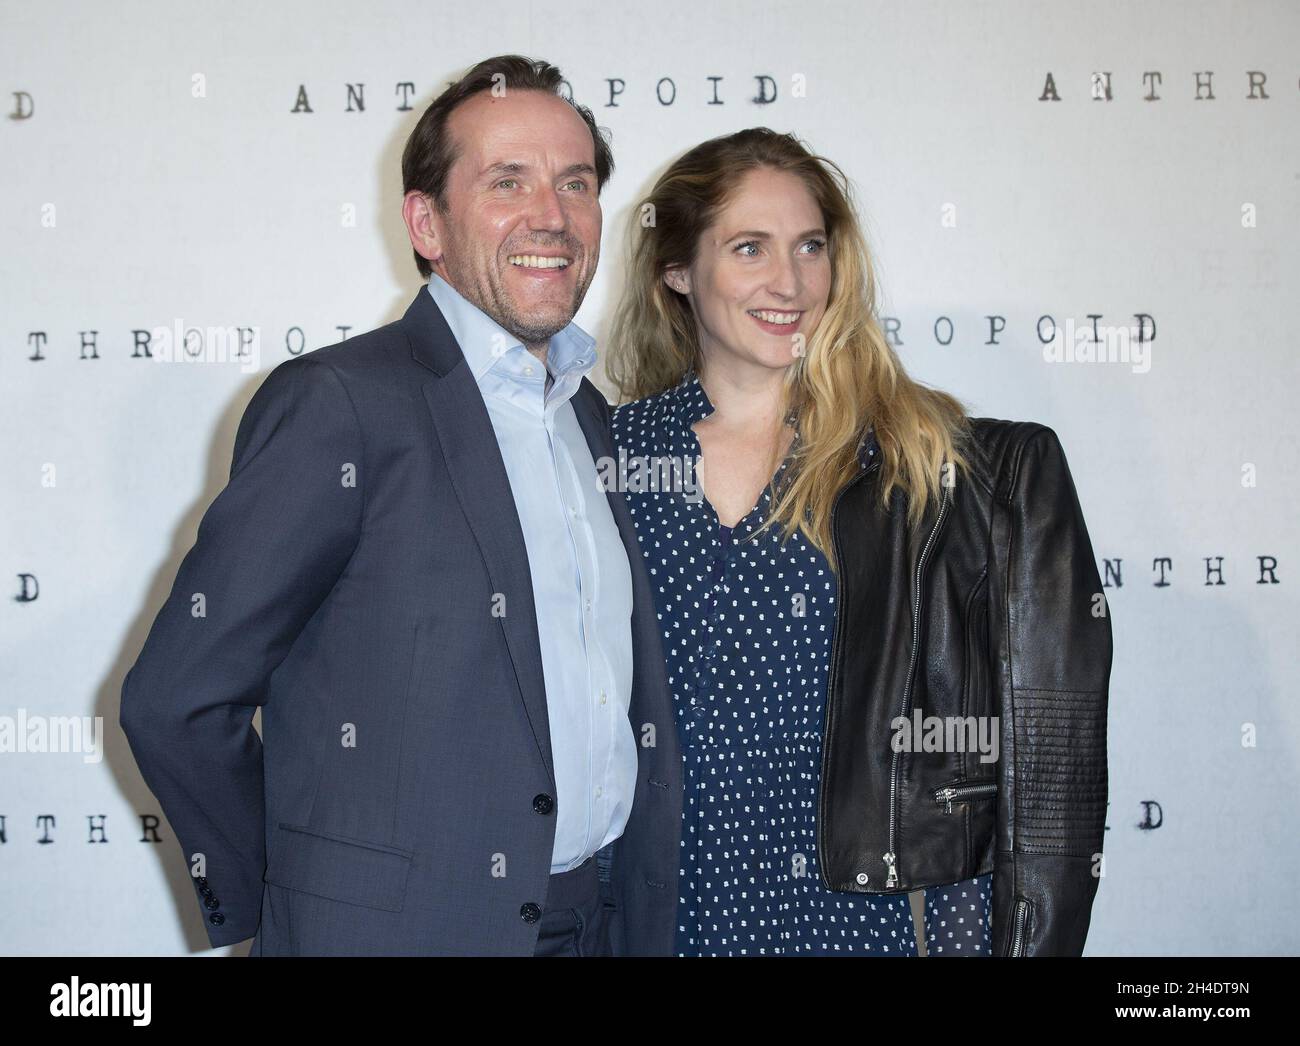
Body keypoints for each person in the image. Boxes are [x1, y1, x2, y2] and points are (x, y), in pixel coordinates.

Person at [119, 55, 681, 957]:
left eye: (575, 183)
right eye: (509, 181)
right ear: (427, 222)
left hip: (598, 923)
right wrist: (293, 898)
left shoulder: (590, 414)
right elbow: (176, 699)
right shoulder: (340, 403)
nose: (552, 215)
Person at [606, 127, 1112, 956]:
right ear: (676, 271)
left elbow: (1041, 762)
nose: (791, 281)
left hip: (866, 924)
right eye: (748, 248)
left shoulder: (932, 471)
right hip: (658, 913)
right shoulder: (608, 459)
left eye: (811, 246)